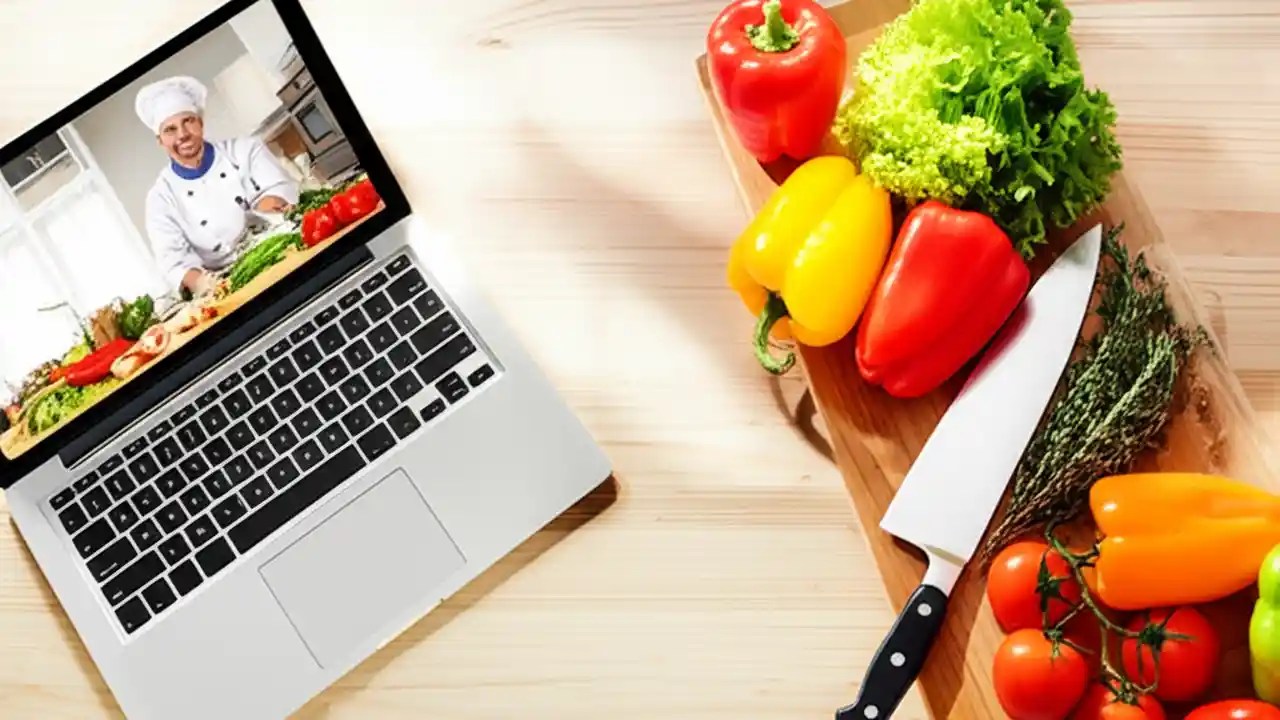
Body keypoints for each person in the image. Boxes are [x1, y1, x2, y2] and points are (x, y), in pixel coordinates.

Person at [136, 75, 300, 296]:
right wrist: (203, 283)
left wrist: (267, 208)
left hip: (282, 248)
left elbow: (277, 190)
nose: (183, 134)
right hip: (226, 283)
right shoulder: (160, 199)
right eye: (170, 129)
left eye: (188, 121)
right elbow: (174, 263)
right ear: (160, 141)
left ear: (201, 123)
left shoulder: (246, 150)